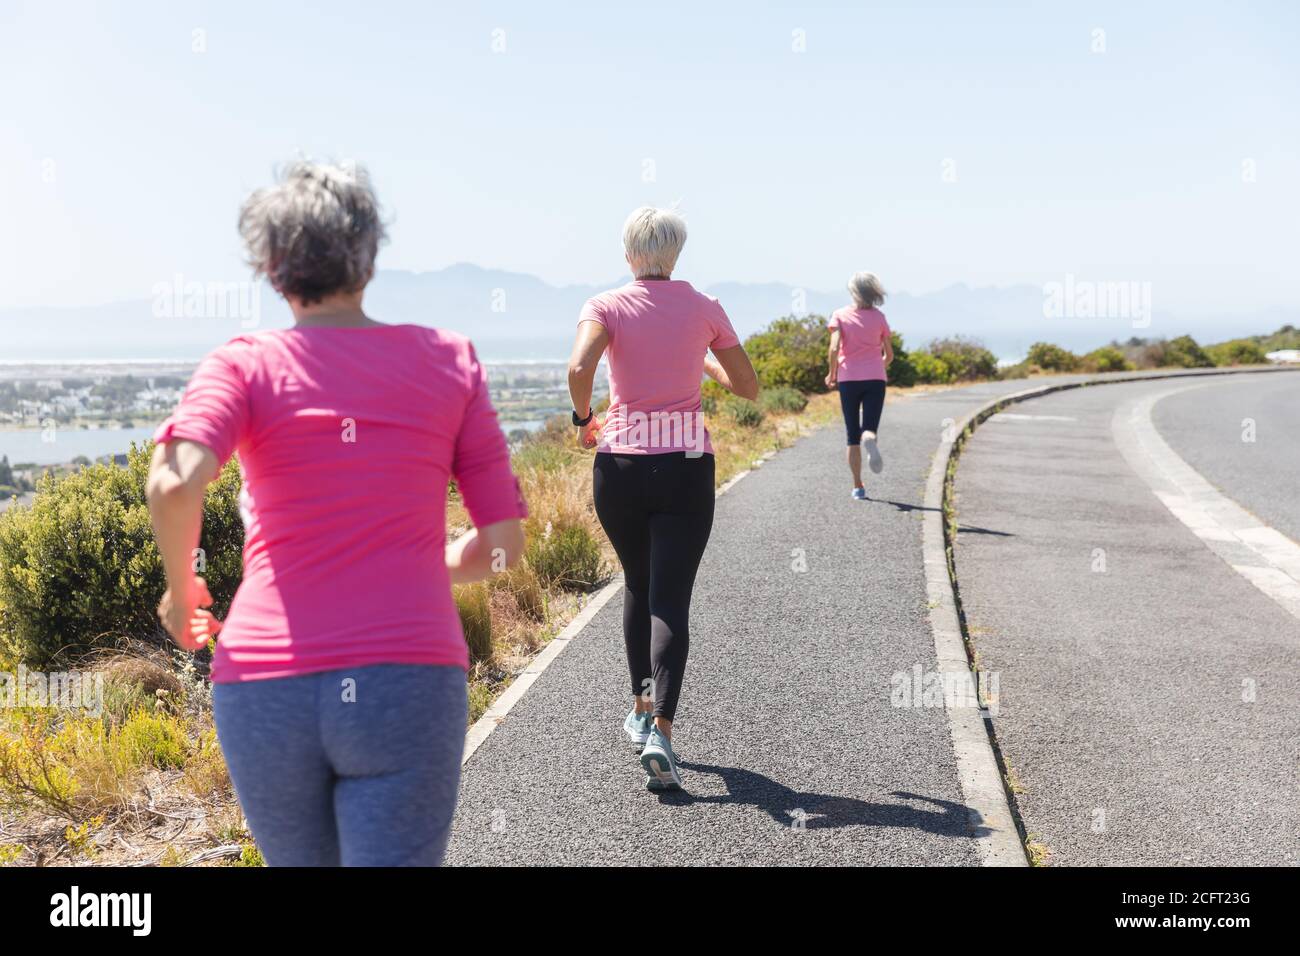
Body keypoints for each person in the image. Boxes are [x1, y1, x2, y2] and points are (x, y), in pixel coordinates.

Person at [147, 160, 527, 865]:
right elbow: (503, 546)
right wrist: (430, 564)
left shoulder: (242, 364)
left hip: (264, 686)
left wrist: (180, 593)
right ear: (371, 254)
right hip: (406, 677)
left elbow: (172, 486)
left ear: (271, 265)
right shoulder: (449, 360)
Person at [567, 206, 758, 791]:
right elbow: (748, 387)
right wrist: (700, 358)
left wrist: (583, 420)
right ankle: (662, 734)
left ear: (629, 255)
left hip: (620, 466)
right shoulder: (704, 307)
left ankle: (641, 708)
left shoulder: (606, 306)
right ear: (677, 254)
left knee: (636, 583)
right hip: (685, 467)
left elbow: (579, 367)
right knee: (671, 600)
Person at [824, 271, 893, 499]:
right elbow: (889, 355)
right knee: (869, 428)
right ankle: (870, 438)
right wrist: (879, 366)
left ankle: (858, 486)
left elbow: (834, 348)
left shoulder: (840, 315)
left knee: (851, 434)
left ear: (853, 291)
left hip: (849, 378)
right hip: (875, 377)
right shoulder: (879, 317)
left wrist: (832, 374)